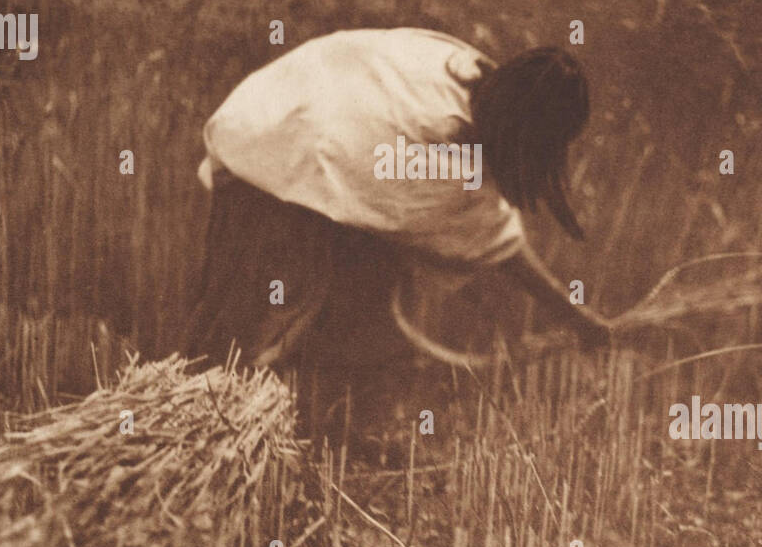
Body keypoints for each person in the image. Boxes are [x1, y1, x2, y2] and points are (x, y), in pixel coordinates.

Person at [183, 27, 613, 381]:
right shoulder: (436, 158)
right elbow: (490, 241)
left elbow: (494, 235)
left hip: (268, 108)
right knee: (251, 333)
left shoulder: (461, 71)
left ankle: (314, 422)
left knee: (337, 319)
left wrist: (574, 317)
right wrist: (575, 317)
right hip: (275, 156)